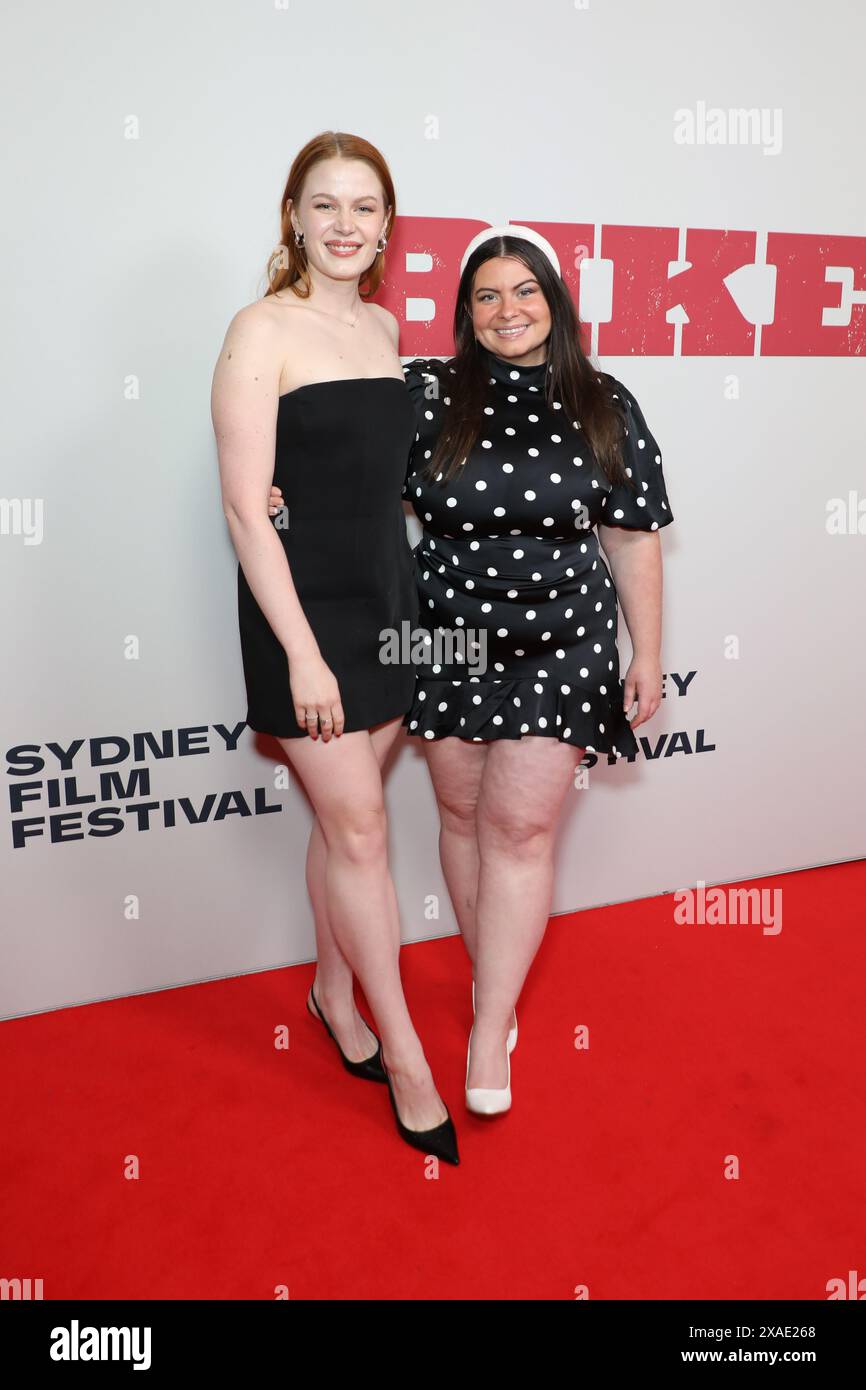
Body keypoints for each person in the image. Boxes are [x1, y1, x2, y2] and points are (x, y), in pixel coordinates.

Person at [269, 225, 674, 1117]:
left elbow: (632, 534)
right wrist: (276, 489)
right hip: (446, 640)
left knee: (520, 831)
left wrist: (647, 650)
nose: (507, 311)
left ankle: (492, 1022)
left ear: (555, 303)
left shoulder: (605, 402)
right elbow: (349, 475)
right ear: (465, 313)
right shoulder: (427, 394)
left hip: (563, 645)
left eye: (525, 292)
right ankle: (482, 970)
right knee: (460, 814)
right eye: (486, 296)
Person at [212, 130, 458, 1165]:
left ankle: (327, 988)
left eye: (364, 207)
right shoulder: (259, 327)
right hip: (299, 617)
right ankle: (402, 1056)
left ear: (386, 225)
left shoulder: (385, 326)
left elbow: (373, 480)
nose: (345, 224)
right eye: (326, 205)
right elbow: (241, 506)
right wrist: (303, 657)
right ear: (294, 218)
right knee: (361, 833)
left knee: (342, 825)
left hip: (384, 602)